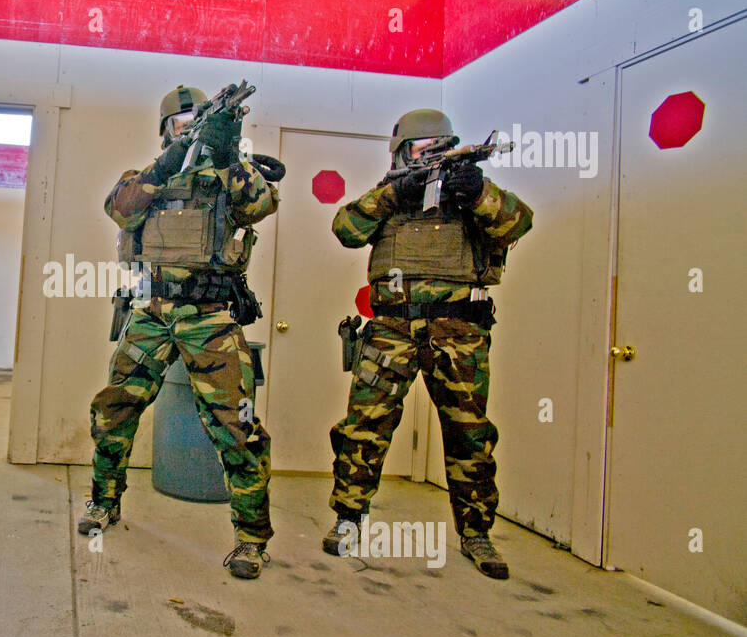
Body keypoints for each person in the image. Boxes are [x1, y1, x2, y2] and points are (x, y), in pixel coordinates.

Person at [324, 108, 533, 579]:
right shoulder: (389, 198)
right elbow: (345, 230)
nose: (432, 154)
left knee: (469, 436)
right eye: (423, 148)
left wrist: (477, 191)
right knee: (365, 429)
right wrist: (395, 194)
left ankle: (476, 533)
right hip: (392, 331)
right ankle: (348, 519)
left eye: (441, 145)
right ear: (401, 153)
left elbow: (518, 224)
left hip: (458, 334)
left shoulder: (471, 196)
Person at [85, 85, 281, 579]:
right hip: (150, 310)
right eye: (181, 122)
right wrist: (169, 162)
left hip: (210, 315)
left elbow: (260, 204)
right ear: (166, 128)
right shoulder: (147, 177)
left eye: (198, 121)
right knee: (115, 408)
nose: (189, 127)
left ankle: (252, 540)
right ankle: (103, 502)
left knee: (235, 426)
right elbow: (121, 208)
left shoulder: (231, 175)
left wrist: (229, 151)